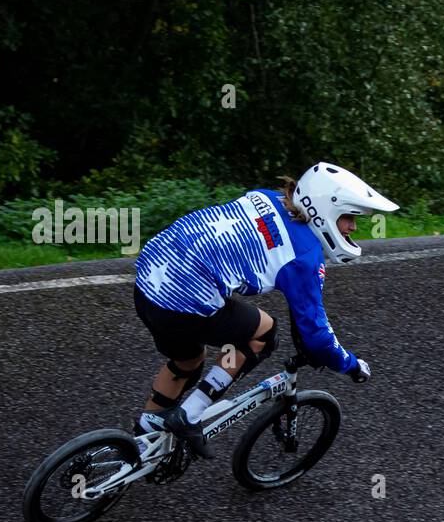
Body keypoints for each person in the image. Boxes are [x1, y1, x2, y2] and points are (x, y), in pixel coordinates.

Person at [132, 162, 397, 458]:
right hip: (183, 299)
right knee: (264, 332)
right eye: (348, 218)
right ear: (326, 211)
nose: (353, 227)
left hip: (148, 278)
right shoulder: (305, 256)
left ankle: (140, 444)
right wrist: (350, 365)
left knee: (189, 359)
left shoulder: (266, 197)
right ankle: (190, 415)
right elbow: (317, 336)